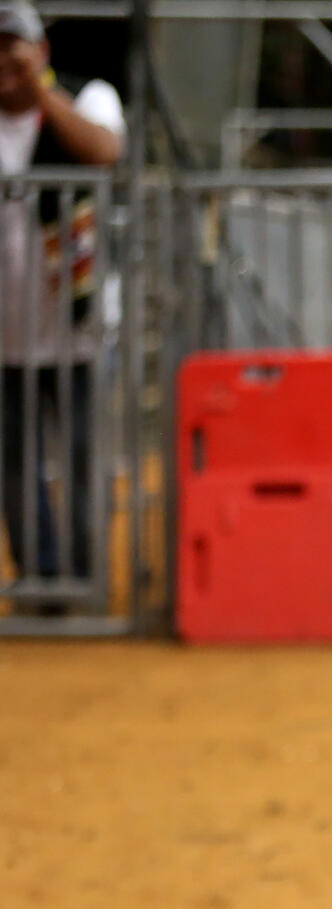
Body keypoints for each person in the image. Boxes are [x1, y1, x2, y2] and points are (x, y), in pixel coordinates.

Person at [0, 0, 121, 596]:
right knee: (15, 465)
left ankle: (86, 578)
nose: (2, 59)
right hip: (6, 333)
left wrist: (40, 90)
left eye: (11, 45)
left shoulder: (88, 96)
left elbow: (104, 151)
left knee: (83, 460)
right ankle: (40, 581)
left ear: (41, 50)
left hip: (79, 327)